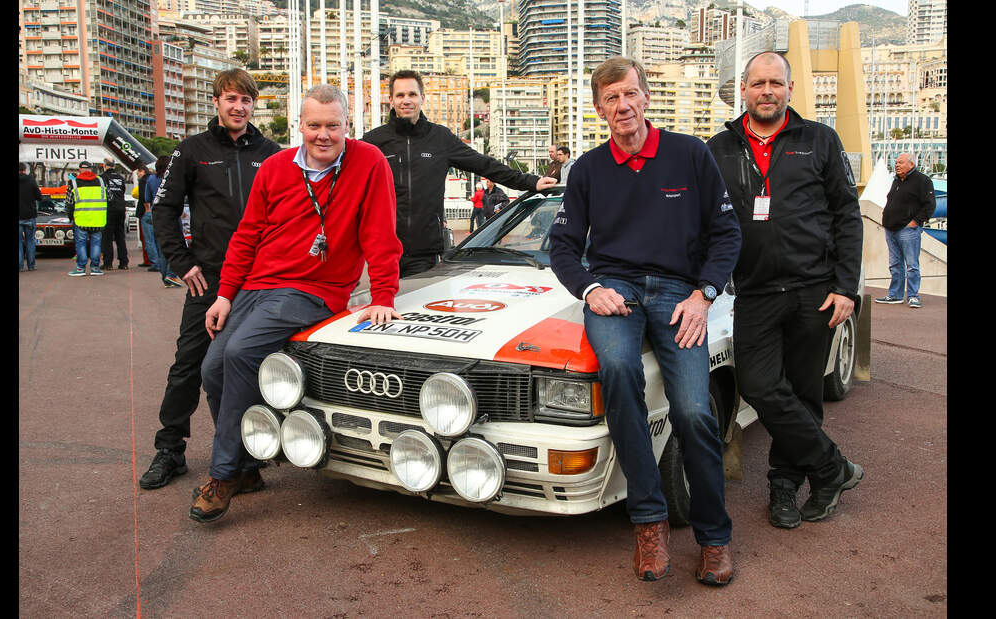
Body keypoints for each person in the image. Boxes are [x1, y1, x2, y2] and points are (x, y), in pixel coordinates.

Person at [549, 56, 741, 587]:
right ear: (598, 109)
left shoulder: (689, 154)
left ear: (646, 97)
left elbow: (727, 235)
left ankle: (714, 538)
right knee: (617, 371)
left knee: (695, 411)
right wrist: (591, 288)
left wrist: (704, 295)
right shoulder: (586, 169)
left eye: (630, 94)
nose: (623, 106)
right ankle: (649, 522)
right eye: (611, 99)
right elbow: (562, 247)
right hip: (616, 289)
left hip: (682, 293)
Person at [190, 84, 402, 523]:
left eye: (333, 126)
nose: (323, 135)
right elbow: (247, 234)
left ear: (348, 125)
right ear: (299, 125)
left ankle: (223, 474)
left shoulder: (369, 163)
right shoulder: (274, 167)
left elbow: (380, 235)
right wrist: (226, 294)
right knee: (211, 368)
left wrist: (382, 296)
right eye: (313, 125)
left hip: (313, 289)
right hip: (255, 286)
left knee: (240, 352)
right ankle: (248, 465)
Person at [706, 51, 864, 530]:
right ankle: (832, 467)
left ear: (790, 89)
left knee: (803, 392)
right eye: (758, 83)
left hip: (813, 290)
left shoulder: (819, 139)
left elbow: (847, 215)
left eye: (776, 82)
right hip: (752, 291)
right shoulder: (719, 148)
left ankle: (784, 488)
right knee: (758, 385)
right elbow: (703, 221)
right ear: (745, 90)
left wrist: (846, 287)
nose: (767, 91)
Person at [138, 68, 282, 491]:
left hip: (261, 279)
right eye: (231, 99)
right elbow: (162, 210)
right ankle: (170, 449)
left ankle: (249, 453)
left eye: (246, 100)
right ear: (217, 102)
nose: (239, 107)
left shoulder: (273, 153)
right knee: (188, 366)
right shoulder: (191, 151)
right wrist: (182, 263)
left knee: (252, 365)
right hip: (211, 280)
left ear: (254, 105)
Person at [362, 69, 557, 277]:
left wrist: (530, 182)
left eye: (412, 94)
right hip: (383, 250)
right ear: (391, 100)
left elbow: (484, 164)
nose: (406, 100)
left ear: (422, 98)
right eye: (400, 95)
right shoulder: (373, 141)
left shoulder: (440, 138)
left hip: (425, 252)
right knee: (382, 307)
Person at [876, 152, 935, 309]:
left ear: (911, 164)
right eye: (896, 162)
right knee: (895, 264)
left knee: (912, 265)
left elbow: (930, 205)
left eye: (901, 162)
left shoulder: (922, 181)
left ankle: (913, 296)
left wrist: (915, 221)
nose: (897, 165)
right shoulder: (896, 180)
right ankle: (895, 295)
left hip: (908, 230)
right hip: (890, 228)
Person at [140, 156, 183, 288]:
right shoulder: (173, 177)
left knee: (161, 247)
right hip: (172, 212)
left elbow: (146, 197)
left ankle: (165, 277)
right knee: (177, 244)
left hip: (156, 213)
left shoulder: (151, 179)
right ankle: (171, 274)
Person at [65, 161, 108, 277]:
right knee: (96, 244)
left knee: (81, 244)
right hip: (98, 219)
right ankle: (95, 268)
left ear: (80, 170)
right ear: (91, 169)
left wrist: (70, 217)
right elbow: (110, 197)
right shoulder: (101, 181)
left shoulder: (73, 183)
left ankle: (80, 269)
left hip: (81, 220)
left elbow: (69, 203)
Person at [99, 157, 129, 270]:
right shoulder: (120, 178)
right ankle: (124, 262)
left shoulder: (102, 178)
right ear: (114, 166)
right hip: (121, 208)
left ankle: (108, 263)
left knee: (107, 237)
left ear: (104, 165)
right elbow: (123, 190)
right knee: (120, 236)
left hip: (109, 209)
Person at [19, 162, 42, 272]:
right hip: (29, 215)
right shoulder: (31, 180)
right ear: (24, 170)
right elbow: (39, 197)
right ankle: (31, 265)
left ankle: (19, 266)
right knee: (30, 241)